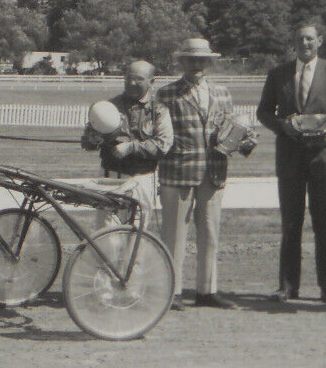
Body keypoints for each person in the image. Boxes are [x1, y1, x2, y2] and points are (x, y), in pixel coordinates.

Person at [256, 23, 326, 305]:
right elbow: (263, 112)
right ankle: (288, 286)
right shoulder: (278, 74)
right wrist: (282, 126)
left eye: (310, 38)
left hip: (323, 157)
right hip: (289, 158)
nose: (305, 43)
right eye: (300, 38)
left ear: (320, 41)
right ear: (294, 42)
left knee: (325, 224)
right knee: (291, 224)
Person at [157, 37, 237, 311]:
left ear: (208, 63)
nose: (196, 65)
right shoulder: (167, 94)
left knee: (210, 234)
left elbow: (232, 128)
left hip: (214, 172)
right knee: (174, 235)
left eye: (201, 60)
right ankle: (173, 291)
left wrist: (243, 139)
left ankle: (207, 291)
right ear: (182, 62)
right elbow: (161, 135)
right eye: (191, 59)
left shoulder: (223, 93)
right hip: (178, 172)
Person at [79, 60, 173, 224]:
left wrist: (130, 147)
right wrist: (92, 138)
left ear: (151, 82)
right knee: (106, 233)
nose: (132, 83)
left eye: (139, 79)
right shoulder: (109, 107)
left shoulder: (159, 110)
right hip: (110, 178)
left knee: (137, 232)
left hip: (142, 179)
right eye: (128, 78)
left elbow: (163, 144)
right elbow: (87, 142)